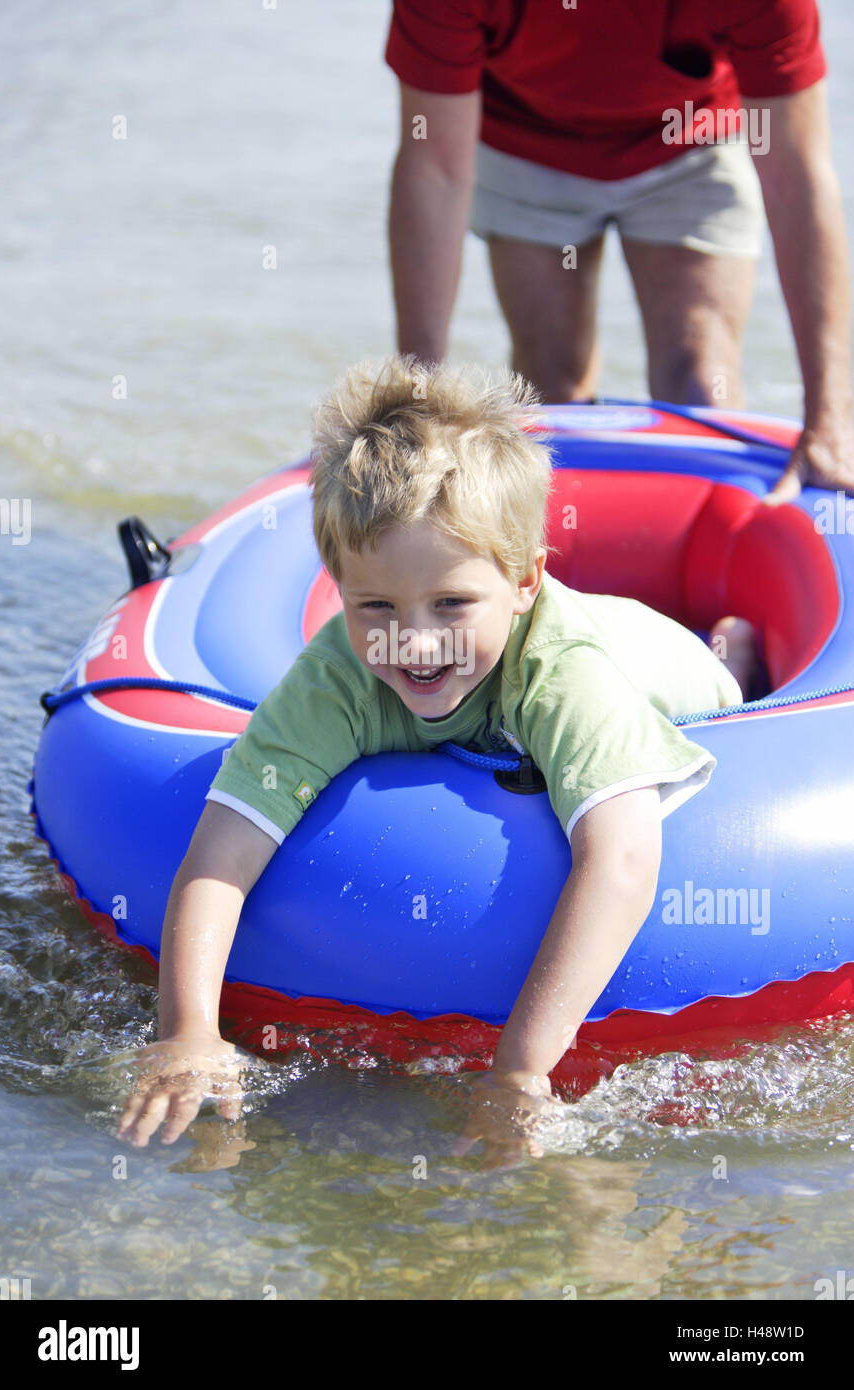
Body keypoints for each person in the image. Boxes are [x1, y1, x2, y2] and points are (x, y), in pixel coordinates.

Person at [118, 356, 758, 1159]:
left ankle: (738, 641)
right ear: (339, 590)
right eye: (376, 605)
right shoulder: (339, 676)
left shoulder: (566, 672)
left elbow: (623, 859)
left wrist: (520, 1073)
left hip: (677, 670)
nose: (414, 642)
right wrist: (188, 1032)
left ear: (524, 583)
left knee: (732, 665)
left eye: (452, 603)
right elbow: (222, 850)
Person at [386, 0, 854, 503]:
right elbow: (433, 168)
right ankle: (557, 551)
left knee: (700, 378)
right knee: (552, 381)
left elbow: (796, 175)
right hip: (524, 138)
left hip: (691, 135)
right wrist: (419, 407)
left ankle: (701, 544)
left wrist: (832, 418)